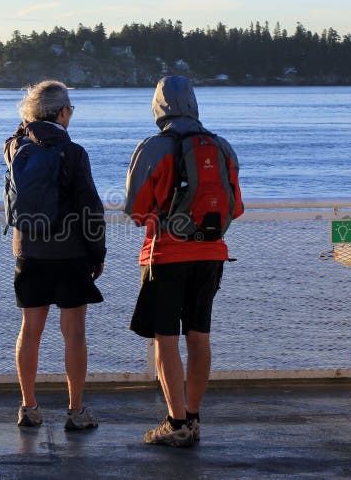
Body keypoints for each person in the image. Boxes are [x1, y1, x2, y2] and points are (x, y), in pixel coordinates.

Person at [124, 75, 243, 447]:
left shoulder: (154, 147)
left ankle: (175, 423)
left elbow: (136, 210)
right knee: (199, 335)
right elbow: (235, 208)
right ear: (193, 103)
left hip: (166, 254)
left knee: (166, 339)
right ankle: (193, 417)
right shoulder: (222, 147)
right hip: (212, 254)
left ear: (158, 107)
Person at [3, 80, 106, 431]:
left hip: (29, 252)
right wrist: (98, 252)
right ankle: (75, 412)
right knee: (73, 333)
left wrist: (28, 121)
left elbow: (14, 138)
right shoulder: (74, 153)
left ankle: (28, 407)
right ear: (62, 112)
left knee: (30, 331)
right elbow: (90, 208)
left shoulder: (17, 148)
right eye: (70, 109)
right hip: (70, 254)